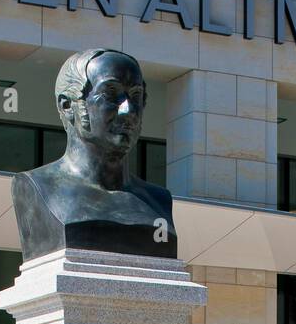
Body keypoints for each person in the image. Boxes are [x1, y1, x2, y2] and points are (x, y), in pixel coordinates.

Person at [11, 47, 177, 261]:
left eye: (136, 96)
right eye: (110, 94)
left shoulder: (158, 201)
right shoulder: (35, 187)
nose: (129, 111)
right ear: (68, 105)